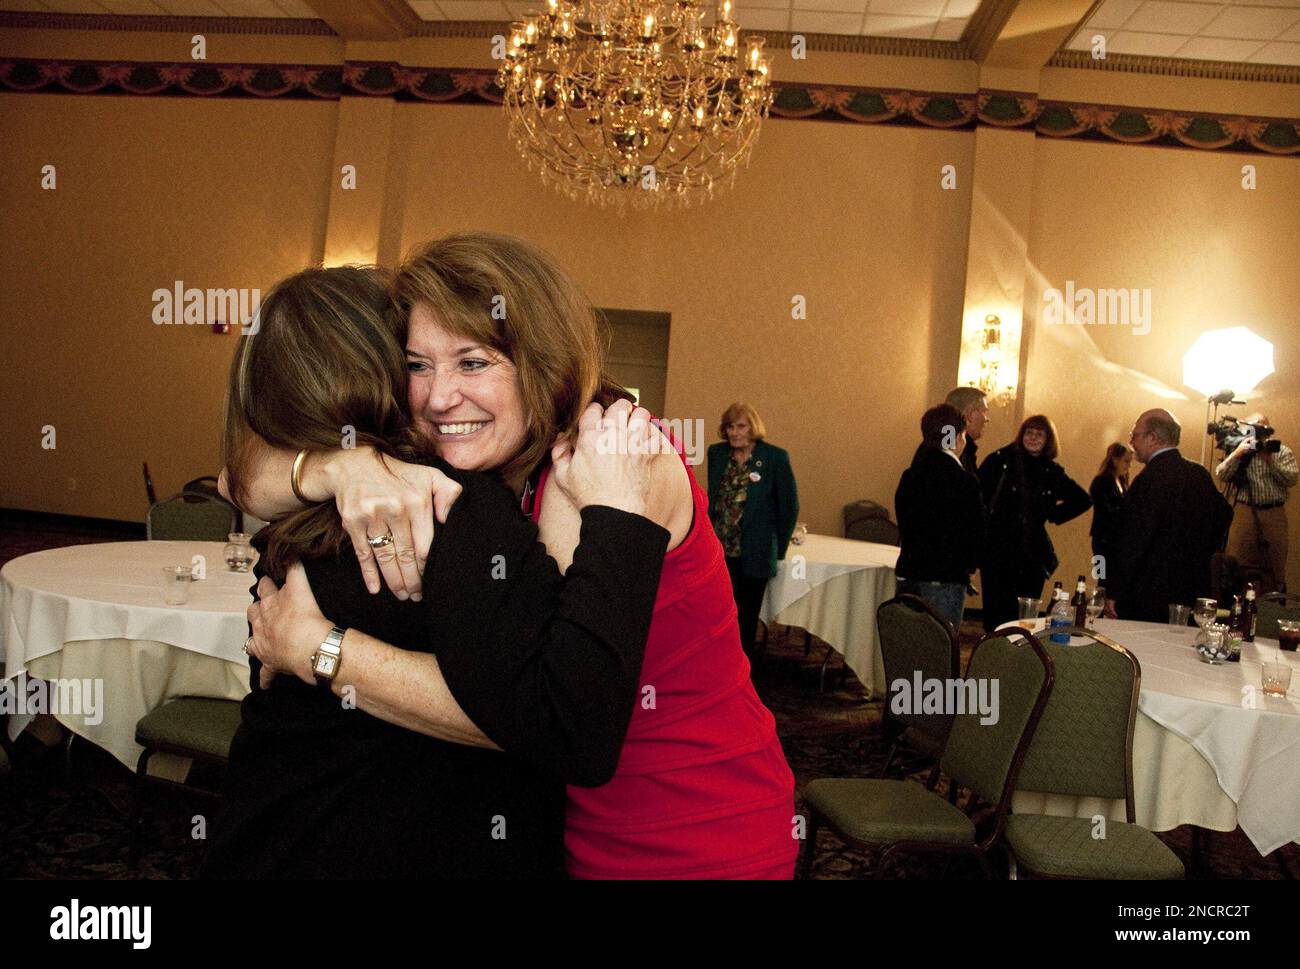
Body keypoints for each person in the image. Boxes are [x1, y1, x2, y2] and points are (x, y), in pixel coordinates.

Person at [229, 233, 798, 880]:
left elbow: (545, 712)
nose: (439, 396)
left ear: (539, 361)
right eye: (417, 365)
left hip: (693, 827)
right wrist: (342, 464)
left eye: (472, 363)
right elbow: (239, 475)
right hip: (571, 827)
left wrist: (317, 648)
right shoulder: (482, 463)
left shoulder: (606, 458)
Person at [1105, 409, 1234, 622]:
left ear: (1152, 438)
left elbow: (1132, 541)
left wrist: (1114, 591)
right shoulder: (1198, 474)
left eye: (1134, 435)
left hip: (1147, 595)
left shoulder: (1147, 481)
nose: (1131, 443)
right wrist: (1198, 551)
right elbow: (1224, 515)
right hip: (1191, 591)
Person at [977, 415, 1091, 631]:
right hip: (998, 550)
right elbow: (977, 496)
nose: (1033, 437)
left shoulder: (1051, 471)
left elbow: (1083, 499)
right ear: (1021, 435)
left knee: (1025, 615)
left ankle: (1021, 657)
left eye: (1040, 434)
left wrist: (1053, 514)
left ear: (1048, 440)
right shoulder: (1000, 460)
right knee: (996, 614)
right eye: (1029, 432)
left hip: (1032, 554)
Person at [706, 403, 799, 657]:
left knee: (746, 617)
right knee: (716, 613)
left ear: (753, 428)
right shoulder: (717, 454)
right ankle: (716, 663)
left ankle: (742, 669)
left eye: (741, 426)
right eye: (730, 427)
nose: (734, 432)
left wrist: (777, 550)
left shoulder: (775, 458)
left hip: (754, 552)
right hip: (719, 551)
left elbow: (789, 507)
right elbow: (713, 500)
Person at [893, 403, 985, 628]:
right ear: (956, 437)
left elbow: (905, 523)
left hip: (909, 572)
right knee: (936, 650)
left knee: (907, 645)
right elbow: (976, 533)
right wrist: (969, 567)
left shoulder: (910, 476)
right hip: (945, 578)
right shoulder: (964, 481)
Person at [1215, 414, 1296, 593]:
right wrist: (1237, 454)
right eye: (1254, 428)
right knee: (1236, 562)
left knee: (1274, 564)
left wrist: (1270, 461)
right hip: (1244, 511)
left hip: (1273, 512)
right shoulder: (1240, 449)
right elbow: (1221, 474)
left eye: (1262, 429)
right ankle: (1236, 605)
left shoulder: (1281, 451)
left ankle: (1268, 610)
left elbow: (1291, 479)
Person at [1089, 442, 1132, 579]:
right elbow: (1106, 509)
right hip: (1103, 539)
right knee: (1102, 576)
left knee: (1115, 577)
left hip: (1117, 539)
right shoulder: (1101, 481)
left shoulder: (1122, 482)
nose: (1128, 465)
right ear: (1115, 460)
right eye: (1126, 461)